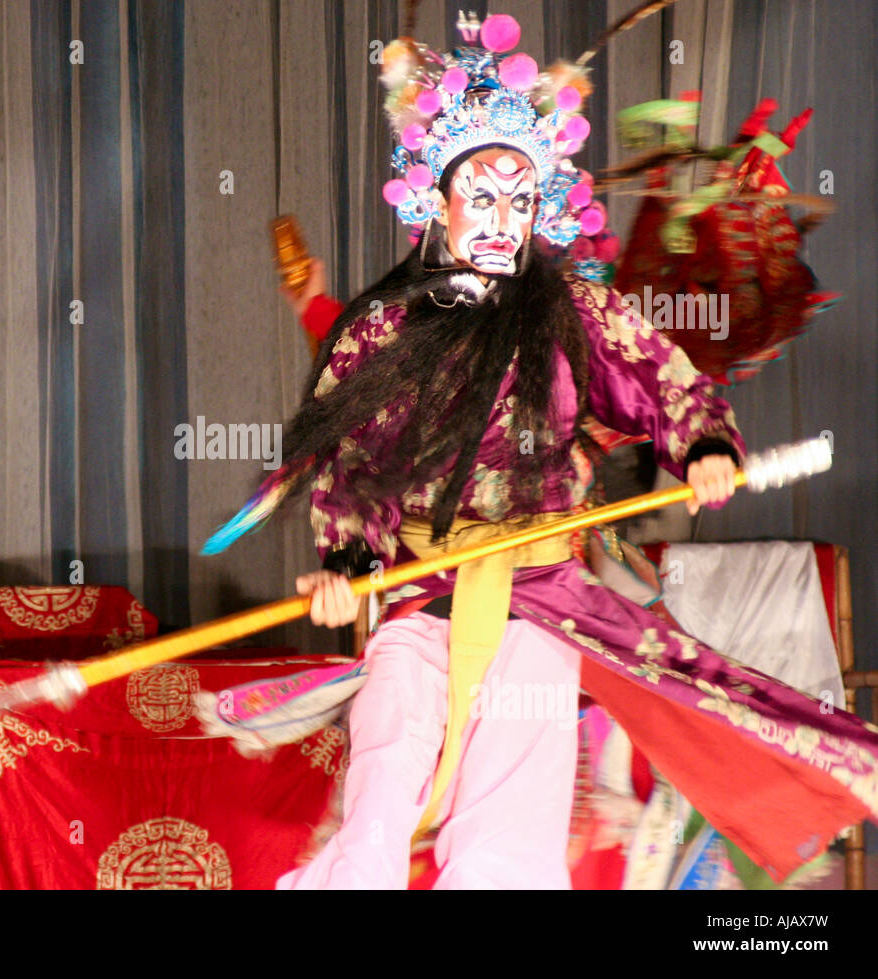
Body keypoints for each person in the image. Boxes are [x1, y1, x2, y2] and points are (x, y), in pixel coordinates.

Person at [200, 13, 878, 889]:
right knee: (374, 808)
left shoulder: (574, 314)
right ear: (435, 199)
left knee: (507, 846)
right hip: (422, 593)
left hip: (544, 598)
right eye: (481, 197)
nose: (501, 220)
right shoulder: (380, 328)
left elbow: (661, 377)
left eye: (519, 202)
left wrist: (704, 443)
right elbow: (353, 465)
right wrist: (348, 561)